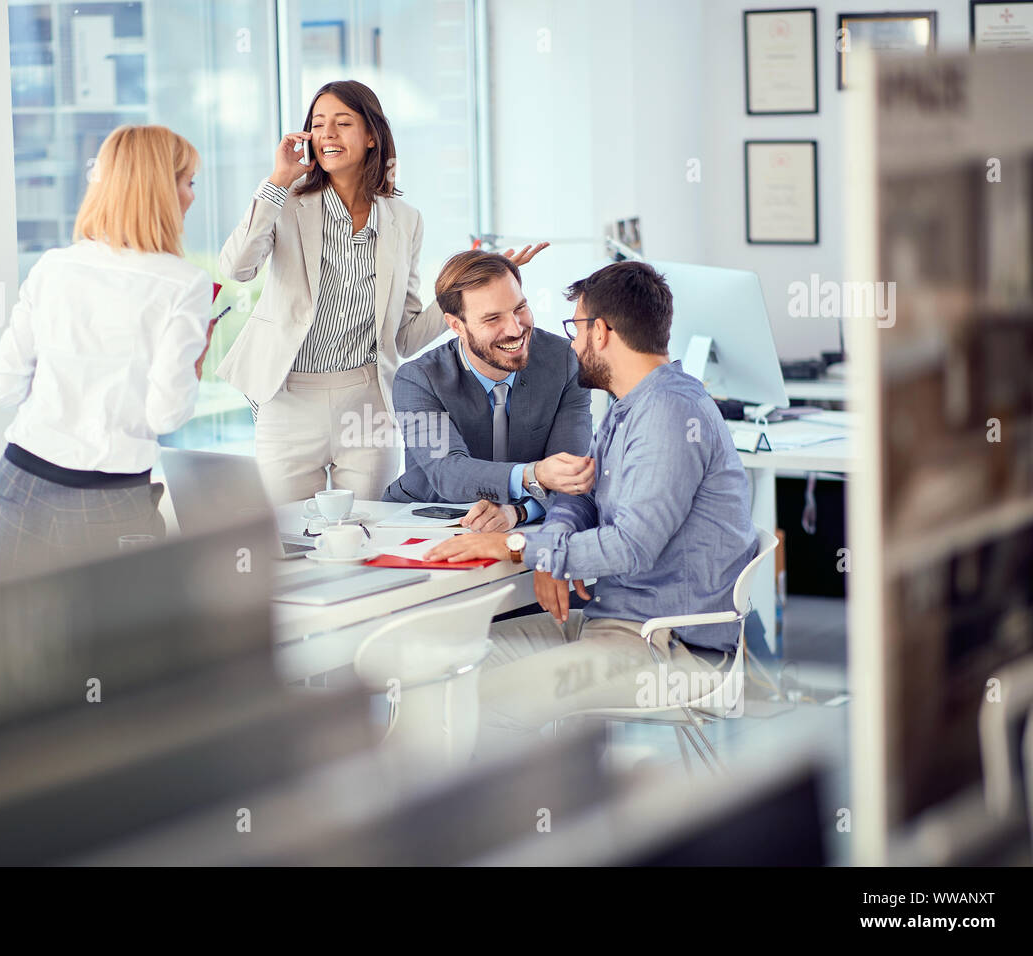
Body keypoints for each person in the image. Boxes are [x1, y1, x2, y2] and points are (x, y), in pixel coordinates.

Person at [422, 261, 759, 754]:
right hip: (617, 624)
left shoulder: (669, 414)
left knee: (493, 698)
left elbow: (630, 546)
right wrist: (551, 551)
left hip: (668, 649)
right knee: (455, 670)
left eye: (577, 329)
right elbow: (579, 494)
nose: (572, 344)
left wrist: (516, 546)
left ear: (600, 332)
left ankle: (522, 824)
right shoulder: (630, 405)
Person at [216, 79, 546, 504]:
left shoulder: (404, 220)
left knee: (370, 530)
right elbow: (238, 267)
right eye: (318, 124)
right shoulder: (287, 201)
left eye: (342, 123)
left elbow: (405, 336)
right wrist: (277, 180)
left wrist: (477, 282)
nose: (327, 134)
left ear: (372, 135)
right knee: (290, 539)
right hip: (288, 398)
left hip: (368, 403)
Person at [0, 125, 216, 576]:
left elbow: (2, 388)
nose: (192, 196)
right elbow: (165, 416)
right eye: (188, 183)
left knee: (18, 645)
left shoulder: (53, 266)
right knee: (119, 648)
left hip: (17, 487)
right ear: (161, 192)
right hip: (107, 505)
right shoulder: (184, 284)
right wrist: (195, 363)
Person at [383, 250, 594, 533]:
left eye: (519, 308)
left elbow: (571, 473)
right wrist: (533, 474)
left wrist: (520, 511)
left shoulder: (564, 361)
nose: (515, 329)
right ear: (456, 325)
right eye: (493, 318)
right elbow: (449, 471)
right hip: (422, 519)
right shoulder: (419, 379)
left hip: (524, 523)